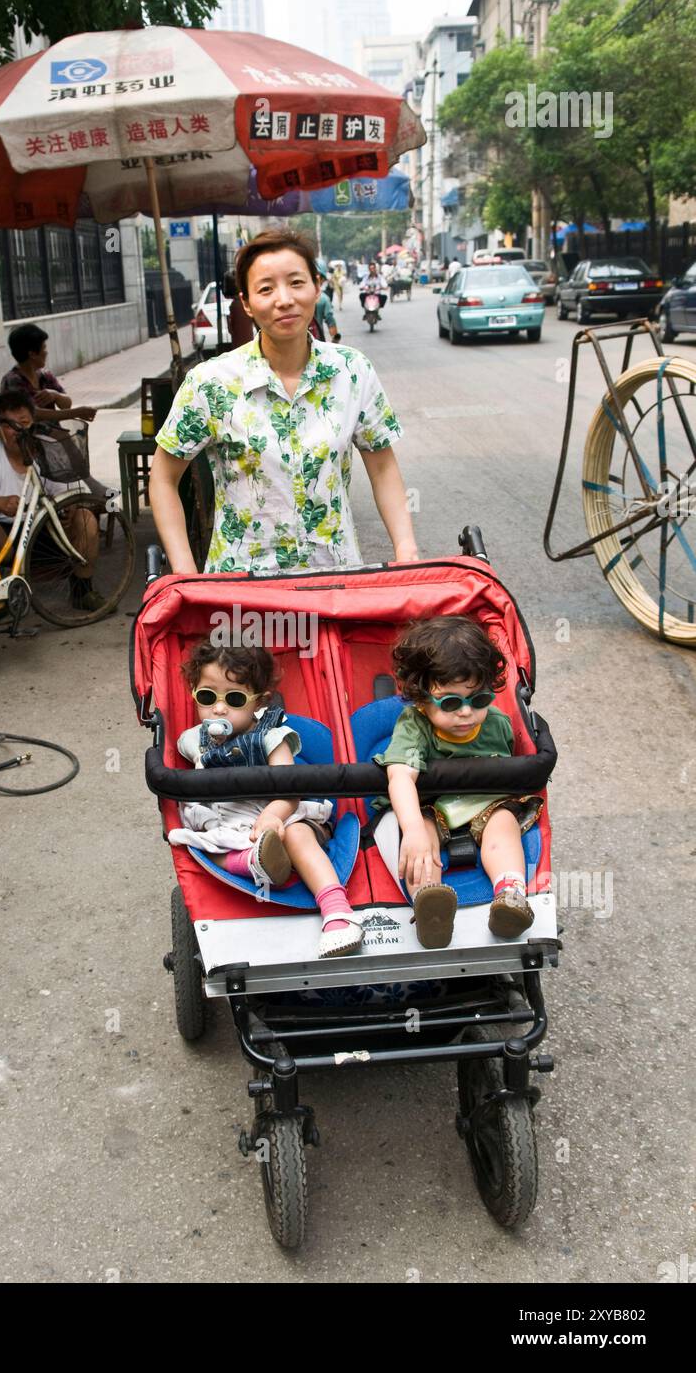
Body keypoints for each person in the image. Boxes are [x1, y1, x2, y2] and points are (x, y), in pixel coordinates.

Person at [149, 227, 419, 576]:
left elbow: (382, 467)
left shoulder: (352, 371)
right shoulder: (210, 382)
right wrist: (185, 574)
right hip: (241, 594)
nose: (284, 299)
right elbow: (163, 478)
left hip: (335, 583)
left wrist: (406, 548)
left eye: (296, 282)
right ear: (246, 302)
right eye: (266, 288)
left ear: (317, 287)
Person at [168, 640, 365, 958]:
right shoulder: (192, 740)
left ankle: (337, 913)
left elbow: (289, 789)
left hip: (280, 811)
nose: (218, 709)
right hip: (228, 819)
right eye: (207, 697)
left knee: (298, 834)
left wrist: (274, 814)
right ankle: (253, 862)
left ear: (260, 701)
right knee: (202, 843)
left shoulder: (272, 737)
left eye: (233, 699)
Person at [371, 616, 542, 949]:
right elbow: (401, 776)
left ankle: (510, 896)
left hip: (484, 801)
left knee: (503, 823)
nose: (466, 713)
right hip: (431, 804)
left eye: (477, 699)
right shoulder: (414, 724)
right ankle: (430, 901)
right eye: (450, 702)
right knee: (419, 838)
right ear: (421, 699)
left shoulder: (496, 722)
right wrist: (414, 830)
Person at [0, 389, 107, 612]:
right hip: (8, 535)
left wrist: (71, 509)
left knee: (86, 519)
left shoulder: (47, 450)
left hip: (48, 530)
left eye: (24, 422)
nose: (18, 431)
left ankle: (83, 591)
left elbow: (72, 492)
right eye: (9, 425)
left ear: (34, 422)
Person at [0, 324, 97, 426]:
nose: (46, 353)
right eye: (44, 348)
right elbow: (33, 414)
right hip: (24, 438)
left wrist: (56, 395)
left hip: (51, 436)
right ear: (32, 354)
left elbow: (67, 404)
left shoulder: (45, 376)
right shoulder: (13, 380)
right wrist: (75, 413)